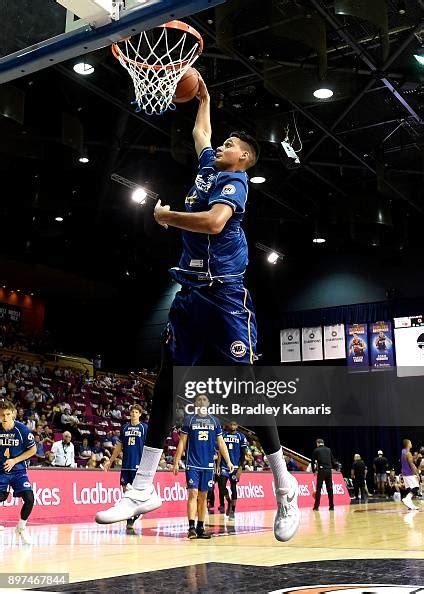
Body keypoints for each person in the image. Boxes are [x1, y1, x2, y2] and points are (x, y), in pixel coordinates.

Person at [95, 76, 300, 542]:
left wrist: (167, 218)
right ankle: (142, 487)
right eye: (224, 142)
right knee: (165, 389)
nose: (222, 144)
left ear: (244, 158)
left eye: (232, 144)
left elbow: (212, 222)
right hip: (189, 296)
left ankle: (284, 485)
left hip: (225, 296)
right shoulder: (210, 167)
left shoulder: (236, 181)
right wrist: (204, 99)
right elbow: (200, 135)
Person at [173, 394, 233, 539]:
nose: (201, 401)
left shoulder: (215, 421)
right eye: (199, 399)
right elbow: (182, 442)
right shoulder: (189, 419)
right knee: (193, 493)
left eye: (204, 399)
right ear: (195, 403)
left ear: (208, 403)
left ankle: (201, 527)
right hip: (192, 463)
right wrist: (176, 461)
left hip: (208, 465)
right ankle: (191, 527)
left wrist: (229, 461)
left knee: (203, 496)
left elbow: (221, 443)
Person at [102, 404, 148, 534]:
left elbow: (148, 447)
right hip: (126, 464)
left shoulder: (144, 428)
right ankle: (131, 513)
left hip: (138, 464)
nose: (133, 414)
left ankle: (133, 516)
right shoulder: (125, 428)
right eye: (132, 412)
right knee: (125, 490)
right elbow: (119, 446)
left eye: (136, 412)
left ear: (140, 414)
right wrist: (110, 461)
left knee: (135, 491)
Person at [0, 399, 36, 544]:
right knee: (1, 497)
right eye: (2, 414)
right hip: (1, 471)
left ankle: (21, 528)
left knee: (29, 498)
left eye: (8, 414)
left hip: (18, 472)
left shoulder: (22, 430)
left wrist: (15, 460)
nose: (5, 417)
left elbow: (32, 450)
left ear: (13, 414)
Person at [217, 421, 248, 520]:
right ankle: (228, 501)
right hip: (224, 465)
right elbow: (220, 452)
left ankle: (233, 511)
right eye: (231, 424)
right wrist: (217, 465)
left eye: (234, 424)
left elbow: (243, 454)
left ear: (237, 426)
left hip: (235, 466)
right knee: (221, 486)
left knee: (233, 487)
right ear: (228, 425)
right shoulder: (223, 435)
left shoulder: (241, 436)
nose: (232, 426)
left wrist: (240, 468)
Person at [311, 438, 335, 511]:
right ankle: (331, 506)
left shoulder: (316, 450)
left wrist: (314, 470)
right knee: (330, 489)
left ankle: (316, 507)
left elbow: (313, 462)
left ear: (318, 443)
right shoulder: (328, 450)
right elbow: (332, 460)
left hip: (321, 470)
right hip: (329, 470)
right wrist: (335, 467)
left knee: (318, 489)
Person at [400, 439, 420, 510]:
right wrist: (417, 474)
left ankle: (410, 504)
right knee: (416, 487)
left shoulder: (403, 451)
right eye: (410, 442)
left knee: (411, 488)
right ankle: (407, 499)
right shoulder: (408, 453)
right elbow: (411, 464)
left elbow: (407, 460)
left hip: (404, 473)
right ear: (408, 444)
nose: (411, 444)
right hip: (409, 473)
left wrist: (415, 457)